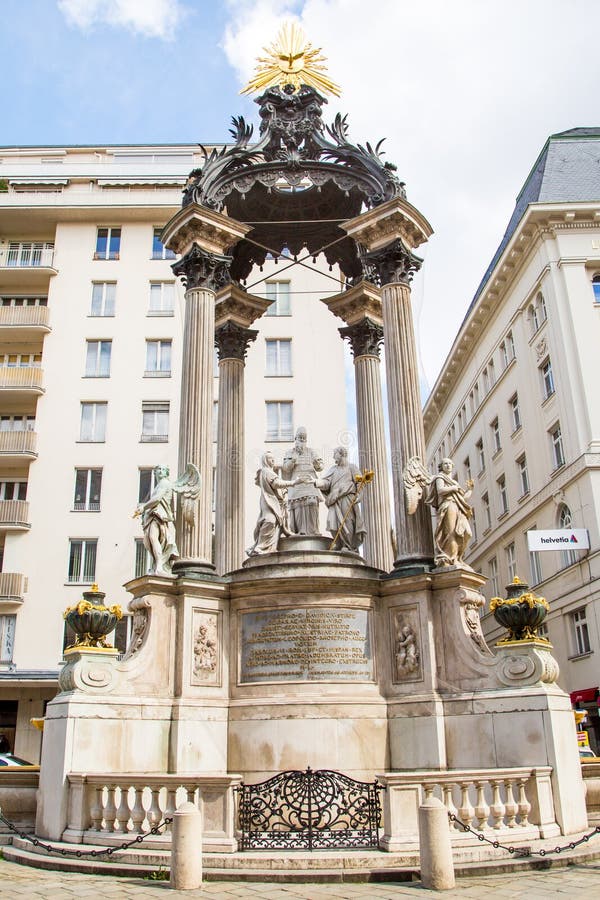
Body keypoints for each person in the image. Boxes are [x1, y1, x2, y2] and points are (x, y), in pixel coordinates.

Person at [426, 457, 474, 566]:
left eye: (449, 463)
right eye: (445, 464)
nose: (448, 465)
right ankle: (452, 558)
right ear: (441, 467)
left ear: (452, 466)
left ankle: (459, 557)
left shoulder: (454, 482)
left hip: (458, 507)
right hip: (448, 505)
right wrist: (453, 488)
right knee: (452, 532)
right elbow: (440, 490)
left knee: (467, 533)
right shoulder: (440, 477)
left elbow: (462, 499)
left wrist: (470, 490)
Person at [317, 446, 366, 551]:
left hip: (347, 497)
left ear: (341, 454)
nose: (333, 456)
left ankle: (348, 545)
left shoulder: (352, 467)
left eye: (335, 454)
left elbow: (360, 482)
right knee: (331, 522)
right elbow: (326, 483)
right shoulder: (333, 469)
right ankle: (338, 543)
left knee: (347, 521)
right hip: (334, 500)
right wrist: (317, 483)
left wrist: (359, 494)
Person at [133, 464, 179, 575]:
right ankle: (157, 565)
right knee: (147, 542)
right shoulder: (159, 485)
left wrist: (143, 507)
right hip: (153, 515)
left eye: (163, 469)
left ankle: (159, 566)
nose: (160, 471)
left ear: (166, 473)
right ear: (155, 472)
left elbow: (157, 499)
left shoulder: (165, 483)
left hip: (158, 515)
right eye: (159, 469)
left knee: (153, 538)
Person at [247, 452, 294, 555]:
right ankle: (260, 546)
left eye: (273, 458)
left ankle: (269, 548)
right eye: (270, 458)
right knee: (270, 520)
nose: (273, 460)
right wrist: (293, 483)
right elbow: (277, 484)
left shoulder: (270, 472)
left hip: (275, 502)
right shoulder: (266, 471)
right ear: (265, 460)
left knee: (275, 523)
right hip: (269, 501)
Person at [281, 427, 324, 535]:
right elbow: (286, 468)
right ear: (295, 438)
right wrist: (294, 458)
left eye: (303, 438)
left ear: (306, 439)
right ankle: (300, 531)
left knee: (312, 503)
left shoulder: (311, 451)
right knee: (298, 506)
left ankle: (313, 531)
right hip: (297, 482)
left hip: (310, 481)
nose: (301, 440)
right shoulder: (290, 452)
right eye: (299, 437)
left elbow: (320, 467)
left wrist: (317, 463)